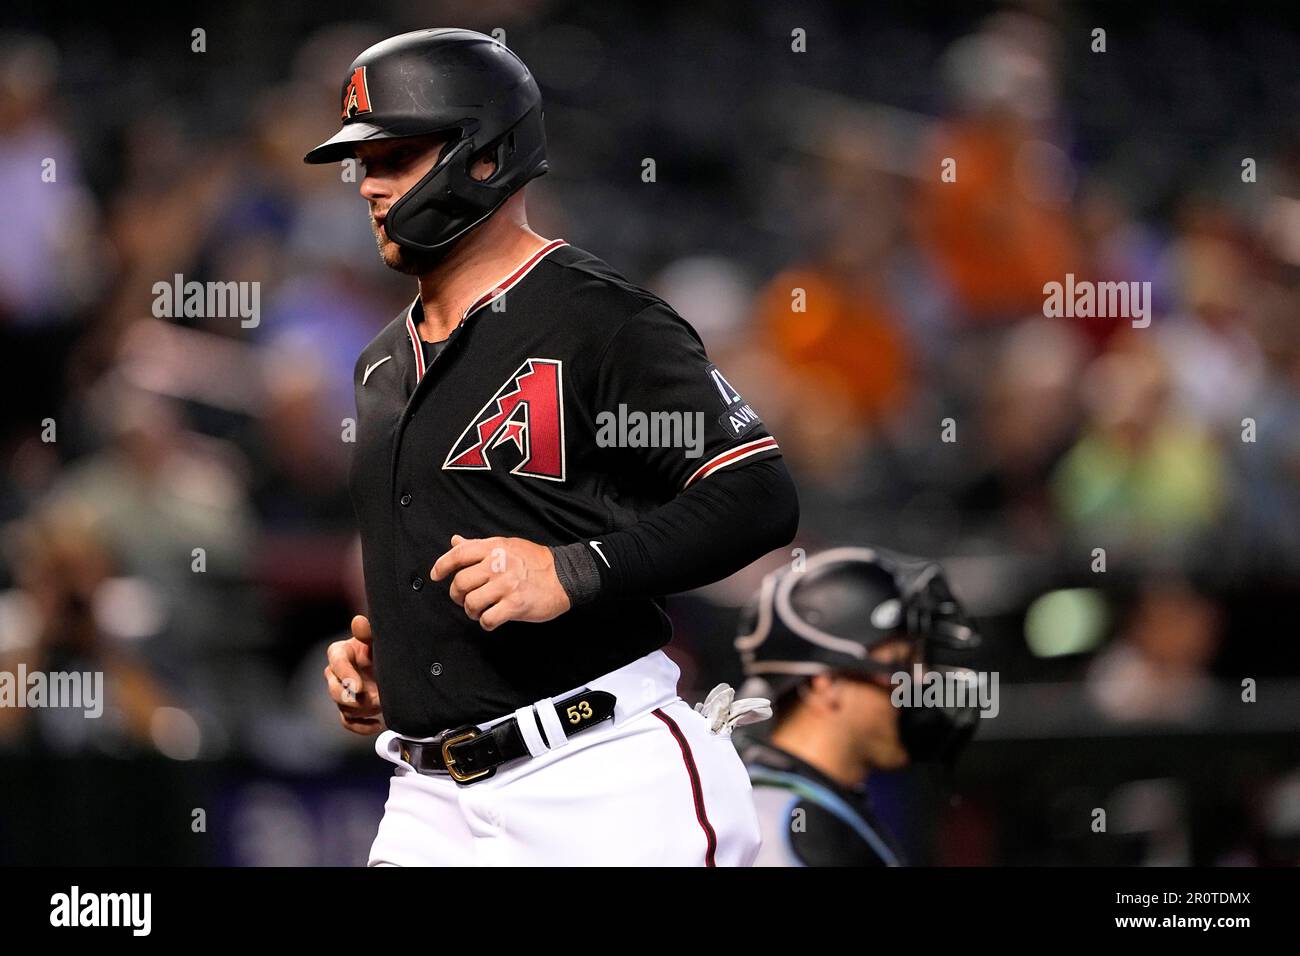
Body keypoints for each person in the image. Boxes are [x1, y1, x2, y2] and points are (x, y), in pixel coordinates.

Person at [306, 28, 798, 866]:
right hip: (430, 798)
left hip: (601, 776)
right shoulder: (380, 361)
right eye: (363, 161)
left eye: (395, 156)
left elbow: (756, 497)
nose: (370, 185)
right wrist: (407, 667)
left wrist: (575, 569)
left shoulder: (601, 319)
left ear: (485, 157)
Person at [735, 547, 982, 866]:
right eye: (898, 665)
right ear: (823, 685)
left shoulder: (811, 807)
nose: (918, 687)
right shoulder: (783, 826)